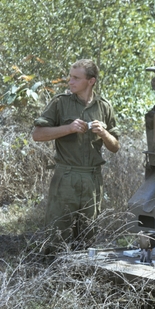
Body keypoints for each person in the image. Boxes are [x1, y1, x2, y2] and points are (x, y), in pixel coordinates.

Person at [33, 59, 121, 246]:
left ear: (91, 81)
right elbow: (37, 134)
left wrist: (104, 133)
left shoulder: (104, 106)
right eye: (70, 77)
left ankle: (82, 271)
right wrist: (69, 128)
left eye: (76, 78)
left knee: (88, 233)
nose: (70, 82)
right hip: (66, 176)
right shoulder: (60, 103)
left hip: (92, 179)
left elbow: (115, 147)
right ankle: (54, 271)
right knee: (57, 233)